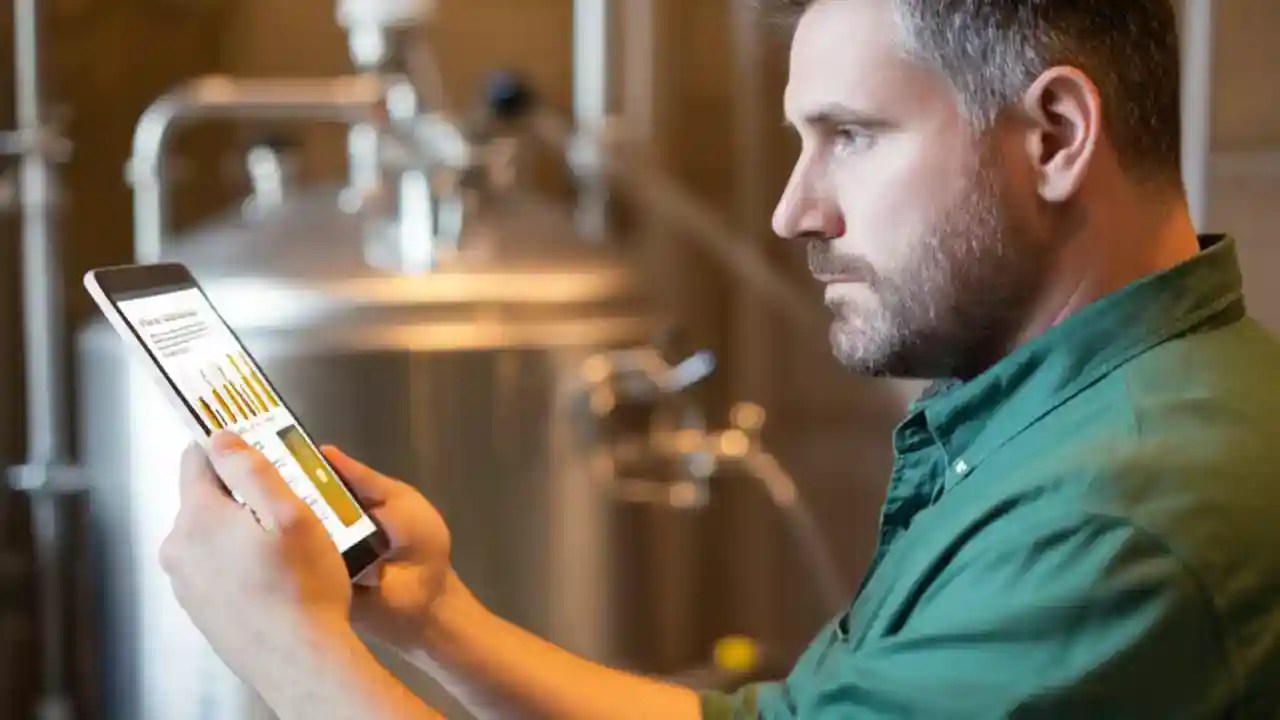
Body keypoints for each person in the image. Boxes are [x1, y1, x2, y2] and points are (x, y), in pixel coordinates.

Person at [159, 0, 1280, 717]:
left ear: (1054, 136)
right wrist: (437, 619)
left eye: (849, 135)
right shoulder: (1077, 418)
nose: (794, 208)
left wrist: (291, 655)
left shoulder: (1115, 517)